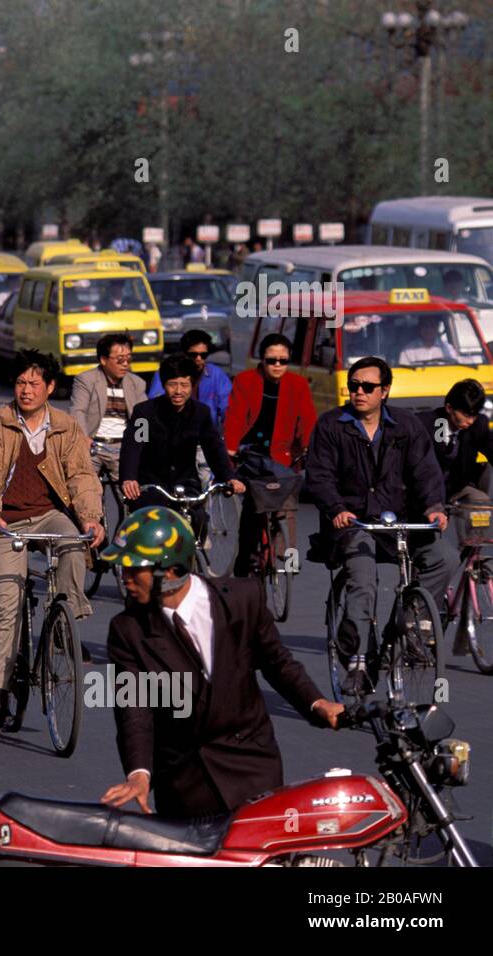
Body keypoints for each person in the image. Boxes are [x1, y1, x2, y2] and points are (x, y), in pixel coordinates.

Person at [98, 507, 343, 817]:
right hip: (184, 780)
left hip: (251, 767)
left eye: (134, 568)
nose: (125, 578)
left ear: (169, 569)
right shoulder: (127, 630)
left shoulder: (242, 599)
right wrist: (139, 774)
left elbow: (276, 661)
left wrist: (316, 702)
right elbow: (134, 709)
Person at [0, 350, 105, 733]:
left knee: (74, 545)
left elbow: (81, 475)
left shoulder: (65, 426)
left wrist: (91, 519)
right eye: (20, 383)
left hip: (50, 514)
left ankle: (65, 619)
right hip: (5, 522)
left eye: (34, 383)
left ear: (50, 387)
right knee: (6, 605)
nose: (26, 390)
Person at [304, 356, 455, 696]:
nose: (359, 392)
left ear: (384, 391)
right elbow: (319, 476)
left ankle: (409, 625)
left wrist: (434, 508)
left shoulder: (407, 426)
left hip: (401, 522)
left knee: (445, 556)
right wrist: (336, 508)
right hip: (354, 523)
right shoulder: (331, 425)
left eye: (368, 387)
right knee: (362, 576)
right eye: (354, 386)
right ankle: (358, 660)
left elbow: (426, 472)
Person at [121, 352, 244, 540]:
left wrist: (228, 478)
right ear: (164, 385)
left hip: (186, 483)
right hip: (152, 485)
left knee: (199, 522)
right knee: (149, 527)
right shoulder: (145, 413)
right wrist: (129, 478)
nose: (178, 391)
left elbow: (213, 448)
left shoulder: (200, 414)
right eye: (172, 384)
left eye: (184, 385)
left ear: (192, 386)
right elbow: (134, 446)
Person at [223, 332, 317, 575]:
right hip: (252, 456)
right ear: (262, 361)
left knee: (287, 508)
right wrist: (230, 448)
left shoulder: (298, 384)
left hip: (283, 457)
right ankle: (245, 561)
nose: (277, 365)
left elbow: (306, 419)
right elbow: (234, 416)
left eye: (283, 361)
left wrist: (308, 446)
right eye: (271, 360)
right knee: (253, 511)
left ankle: (286, 558)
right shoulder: (245, 381)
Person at [70, 333, 147, 478]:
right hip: (93, 446)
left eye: (128, 358)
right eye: (120, 360)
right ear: (104, 360)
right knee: (85, 490)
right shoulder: (86, 380)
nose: (125, 364)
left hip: (124, 448)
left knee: (132, 493)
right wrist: (84, 439)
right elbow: (77, 411)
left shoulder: (137, 383)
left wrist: (142, 444)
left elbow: (142, 419)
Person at [427, 379, 493, 503]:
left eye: (474, 415)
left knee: (481, 503)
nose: (471, 421)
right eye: (466, 415)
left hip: (457, 489)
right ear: (449, 408)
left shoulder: (478, 425)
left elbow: (490, 446)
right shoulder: (426, 424)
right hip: (424, 491)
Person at [147, 329, 231, 426]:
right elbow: (156, 404)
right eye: (193, 355)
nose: (198, 359)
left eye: (203, 355)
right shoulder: (167, 371)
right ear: (184, 353)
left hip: (206, 435)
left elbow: (228, 408)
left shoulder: (217, 374)